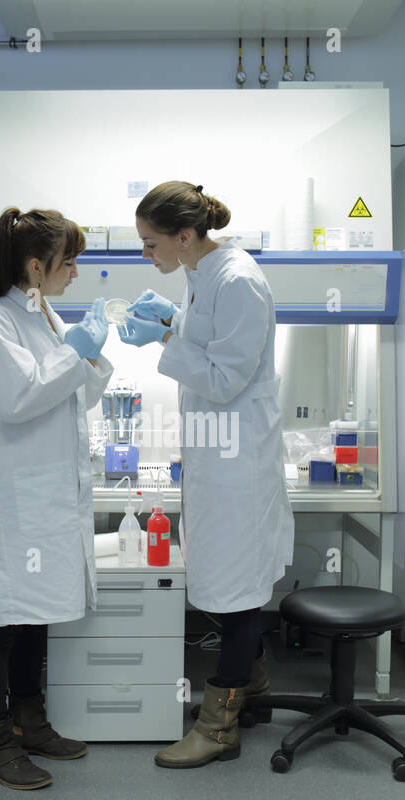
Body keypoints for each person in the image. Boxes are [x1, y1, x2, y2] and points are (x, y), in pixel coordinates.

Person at [119, 181, 295, 769]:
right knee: (227, 581)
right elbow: (214, 345)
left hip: (238, 466)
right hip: (217, 460)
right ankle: (254, 688)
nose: (148, 255)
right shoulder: (204, 274)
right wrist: (174, 315)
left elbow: (223, 380)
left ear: (185, 236)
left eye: (151, 244)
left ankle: (219, 728)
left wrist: (167, 336)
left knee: (238, 593)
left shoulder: (238, 279)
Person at [0, 206, 114, 789]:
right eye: (67, 261)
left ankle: (29, 719)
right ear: (35, 265)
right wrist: (75, 351)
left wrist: (92, 349)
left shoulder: (44, 314)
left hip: (51, 497)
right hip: (19, 501)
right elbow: (21, 397)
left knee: (36, 614)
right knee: (3, 617)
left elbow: (80, 393)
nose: (74, 271)